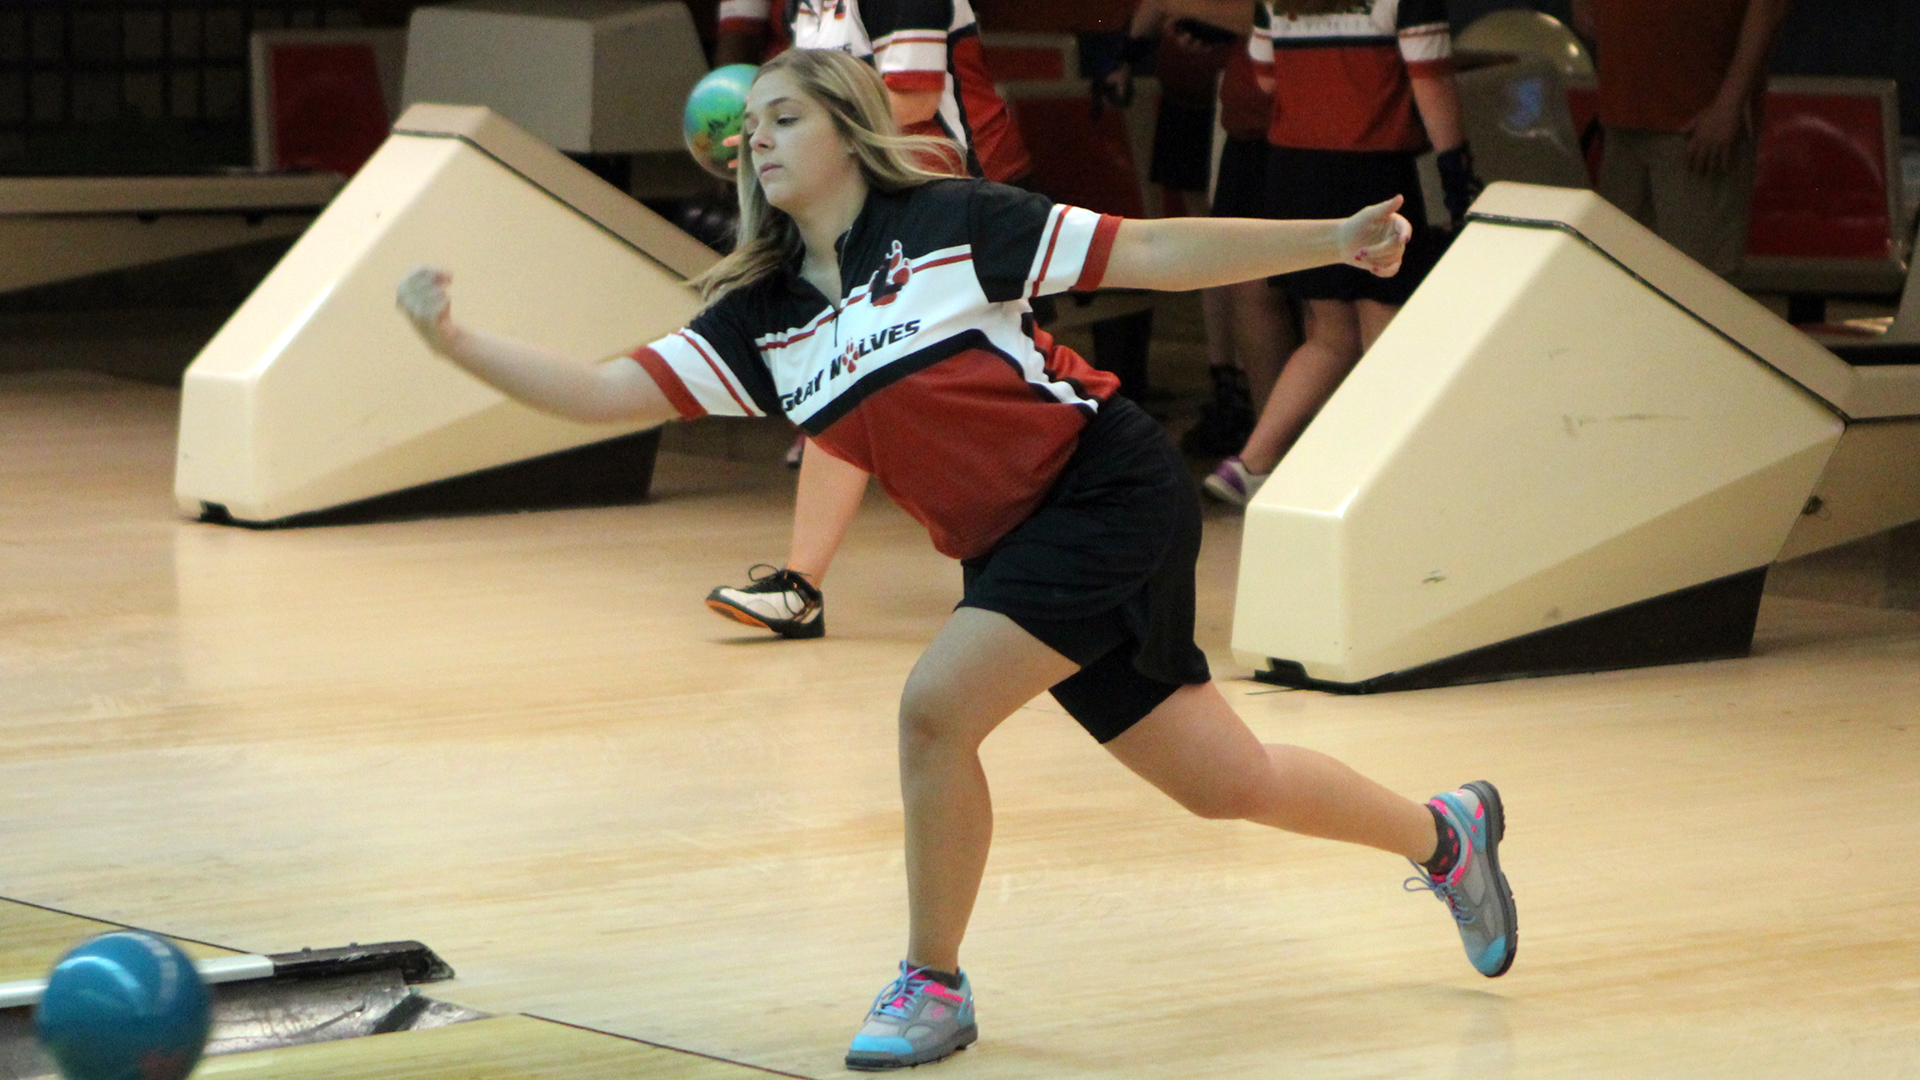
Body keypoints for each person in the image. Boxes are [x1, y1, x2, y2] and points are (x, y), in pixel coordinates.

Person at [396, 48, 1517, 1071]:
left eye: (785, 118)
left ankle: (931, 983)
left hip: (1105, 488)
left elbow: (1150, 249)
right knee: (1228, 785)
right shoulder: (762, 320)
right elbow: (604, 391)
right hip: (1011, 543)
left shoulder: (950, 219)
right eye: (750, 130)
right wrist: (454, 343)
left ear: (849, 130)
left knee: (934, 711)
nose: (758, 140)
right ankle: (1446, 836)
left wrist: (1329, 240)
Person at [703, 0, 1033, 640]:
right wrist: (769, 136)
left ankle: (1052, 550)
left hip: (954, 202)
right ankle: (800, 587)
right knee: (848, 378)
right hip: (876, 204)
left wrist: (790, 136)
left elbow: (912, 98)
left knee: (980, 398)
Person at [1202, 0, 1480, 508]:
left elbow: (1265, 78)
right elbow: (1432, 83)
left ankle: (1250, 465)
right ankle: (1390, 483)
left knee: (1331, 337)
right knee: (1385, 334)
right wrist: (1457, 176)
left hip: (1294, 173)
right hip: (1373, 174)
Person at [1569, 0, 1793, 279]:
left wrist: (1728, 105)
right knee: (1617, 274)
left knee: (1696, 282)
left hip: (1695, 124)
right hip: (1623, 115)